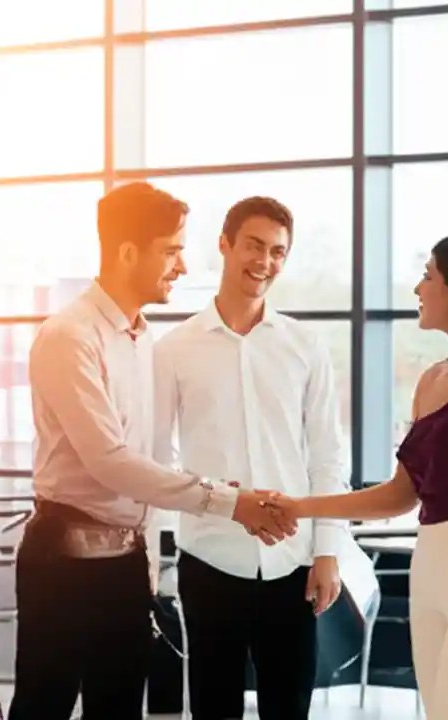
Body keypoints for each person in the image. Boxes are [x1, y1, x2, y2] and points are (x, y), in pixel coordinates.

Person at [8, 182, 295, 720]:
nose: (182, 267)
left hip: (122, 563)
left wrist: (151, 560)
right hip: (64, 563)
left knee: (119, 711)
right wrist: (227, 500)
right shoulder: (70, 336)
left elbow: (152, 459)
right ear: (126, 253)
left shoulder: (141, 340)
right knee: (42, 708)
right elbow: (110, 461)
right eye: (171, 250)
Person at [268, 232, 448, 719]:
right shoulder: (431, 381)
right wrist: (300, 506)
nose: (418, 289)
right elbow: (399, 495)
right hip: (429, 564)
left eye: (428, 276)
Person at [152, 196, 350, 720]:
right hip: (209, 558)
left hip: (292, 563)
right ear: (225, 244)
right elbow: (156, 459)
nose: (265, 262)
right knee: (214, 709)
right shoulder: (174, 348)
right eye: (255, 246)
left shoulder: (305, 346)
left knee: (290, 709)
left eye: (279, 252)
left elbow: (328, 454)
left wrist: (327, 550)